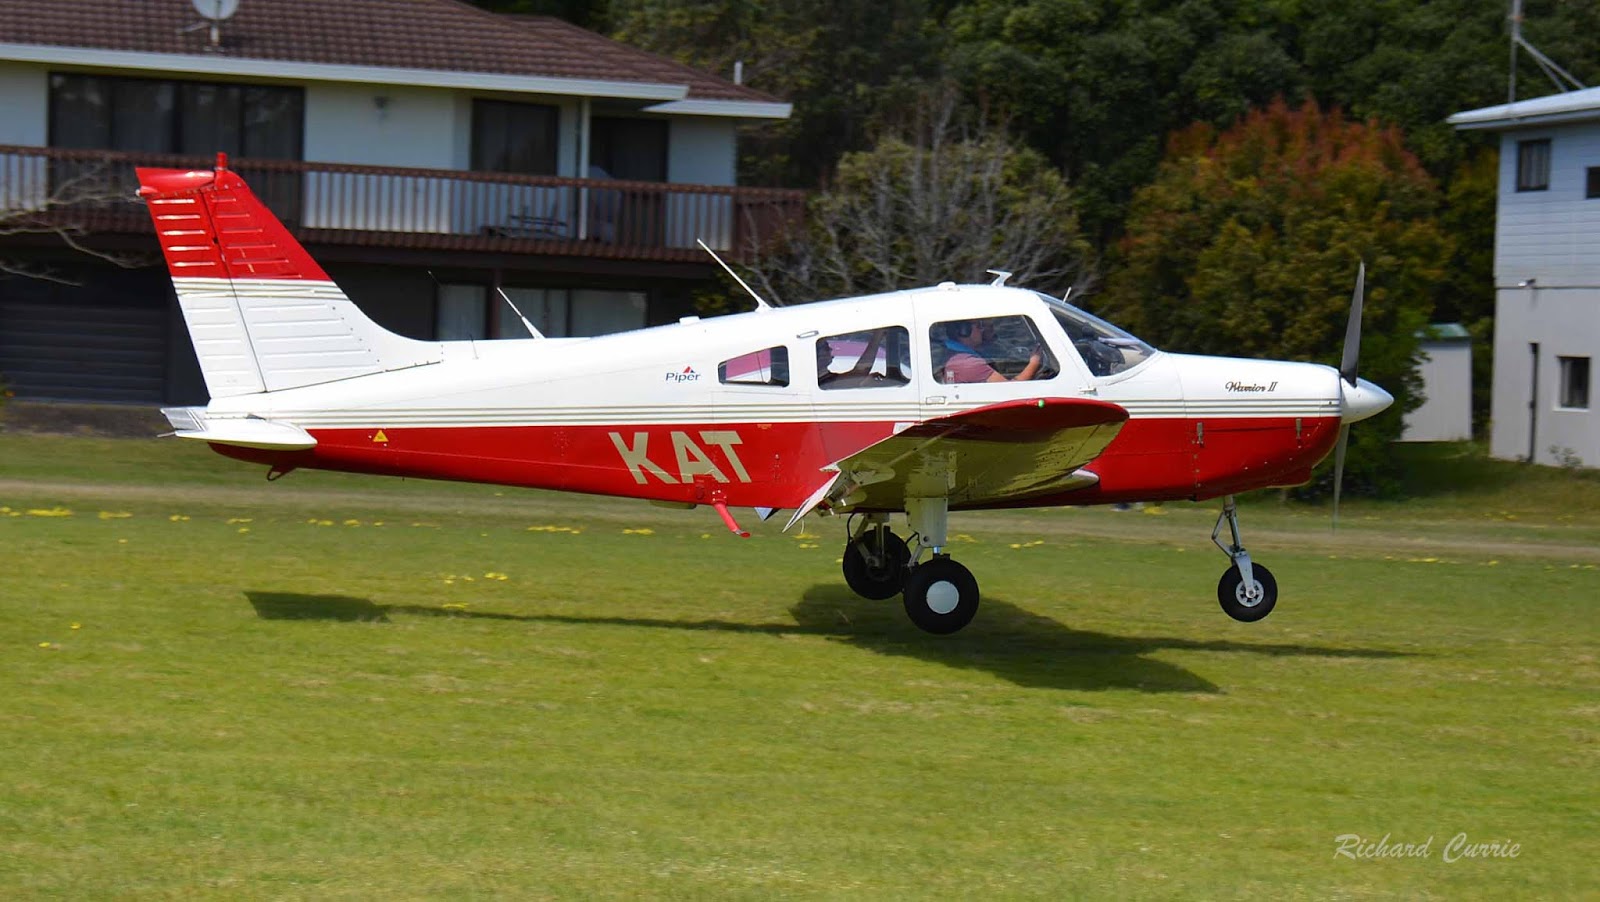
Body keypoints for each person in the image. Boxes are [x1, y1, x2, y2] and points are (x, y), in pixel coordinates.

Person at [943, 319, 1043, 383]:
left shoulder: (957, 356)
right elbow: (1011, 390)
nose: (982, 330)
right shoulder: (968, 364)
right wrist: (1034, 362)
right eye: (978, 326)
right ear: (964, 330)